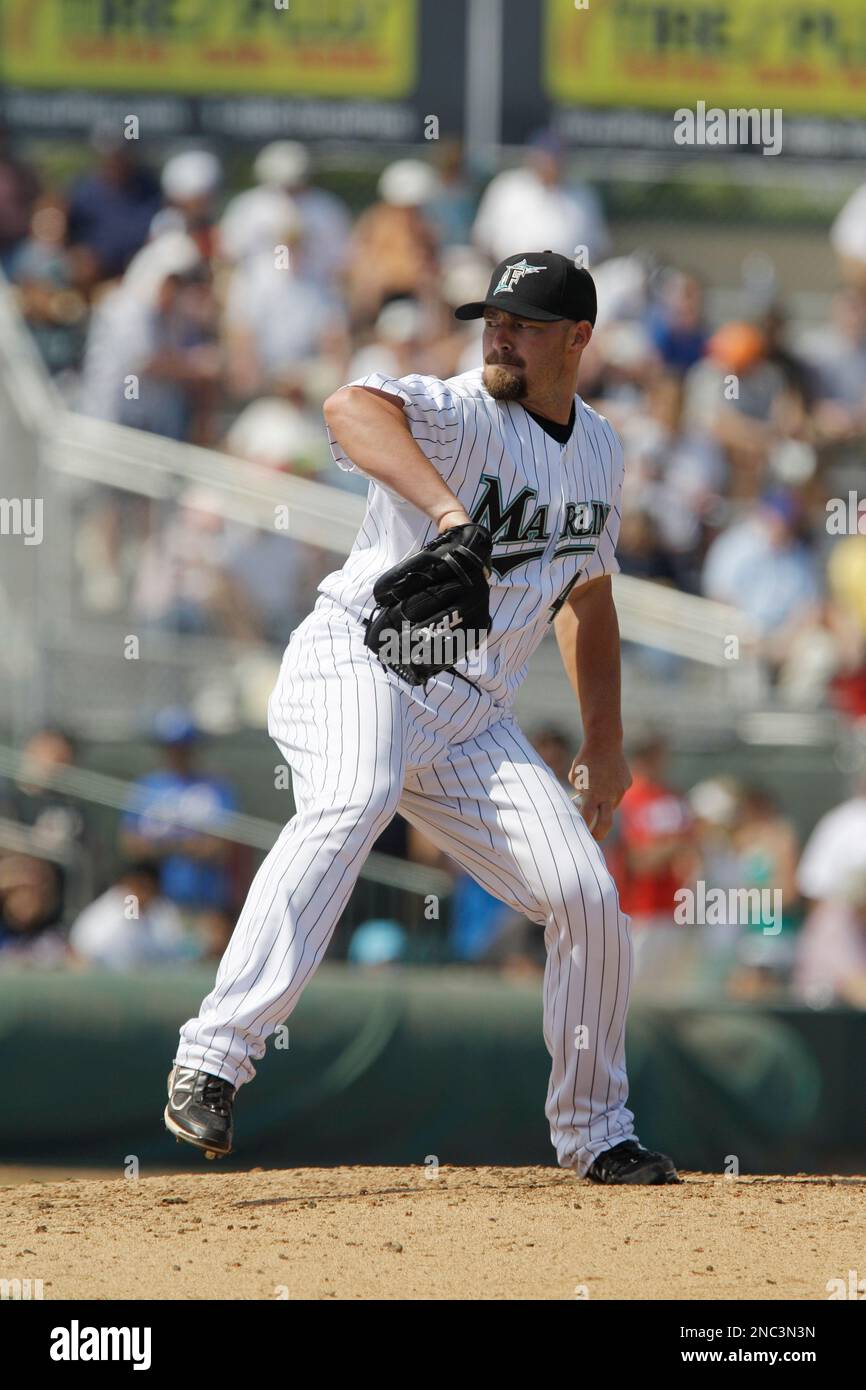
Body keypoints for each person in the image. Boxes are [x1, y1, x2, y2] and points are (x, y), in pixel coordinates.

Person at [165, 249, 680, 1186]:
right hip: (356, 663)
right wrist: (448, 514)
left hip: (468, 715)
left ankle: (598, 1131)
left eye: (521, 324)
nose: (499, 334)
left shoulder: (601, 447)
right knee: (354, 795)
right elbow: (347, 408)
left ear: (578, 339)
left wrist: (604, 744)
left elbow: (588, 600)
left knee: (586, 898)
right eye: (492, 317)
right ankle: (216, 1055)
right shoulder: (464, 411)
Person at [120, 710, 238, 918]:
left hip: (207, 902)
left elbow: (222, 846)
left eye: (185, 747)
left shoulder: (216, 789)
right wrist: (187, 844)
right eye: (172, 746)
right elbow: (131, 844)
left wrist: (166, 843)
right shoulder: (147, 787)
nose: (178, 753)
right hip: (155, 903)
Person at [69, 862, 192, 971]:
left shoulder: (163, 911)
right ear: (127, 884)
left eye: (147, 888)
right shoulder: (106, 911)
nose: (142, 894)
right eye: (138, 887)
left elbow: (177, 954)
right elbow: (82, 951)